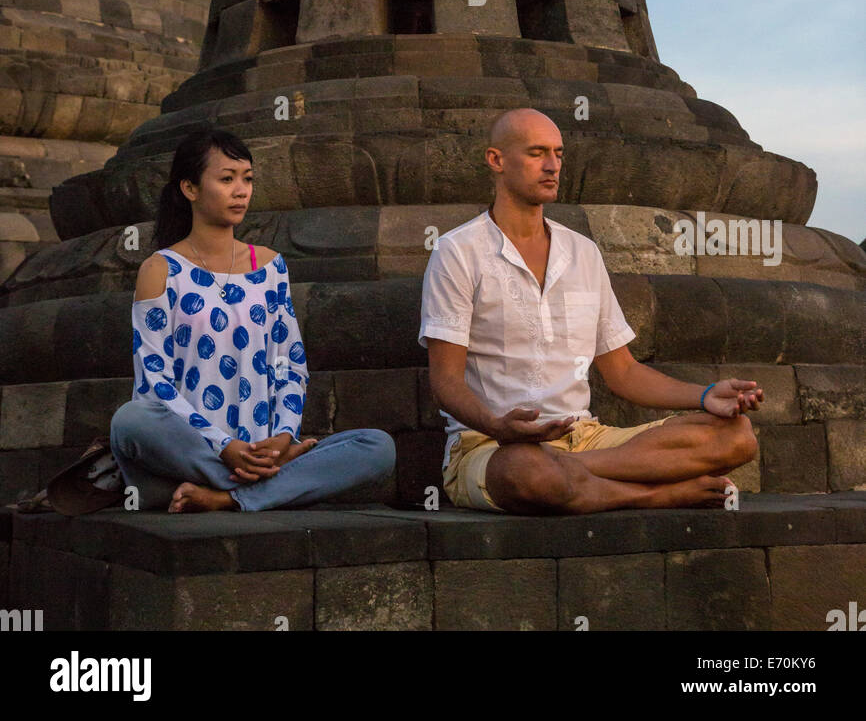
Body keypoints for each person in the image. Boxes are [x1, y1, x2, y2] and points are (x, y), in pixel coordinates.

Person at [419, 108, 761, 514]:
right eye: (536, 153)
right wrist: (498, 427)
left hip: (586, 439)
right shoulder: (458, 252)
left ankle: (573, 472)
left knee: (736, 436)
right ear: (496, 160)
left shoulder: (582, 252)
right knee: (527, 472)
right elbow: (444, 380)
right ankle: (658, 494)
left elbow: (625, 372)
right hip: (493, 446)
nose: (552, 166)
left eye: (558, 154)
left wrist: (706, 395)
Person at [110, 127, 395, 512]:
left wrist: (281, 437)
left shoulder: (270, 265)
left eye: (247, 179)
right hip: (191, 451)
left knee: (377, 447)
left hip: (264, 449)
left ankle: (225, 498)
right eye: (226, 179)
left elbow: (290, 366)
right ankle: (266, 484)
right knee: (131, 420)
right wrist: (224, 446)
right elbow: (153, 381)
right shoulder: (161, 269)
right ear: (190, 188)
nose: (241, 190)